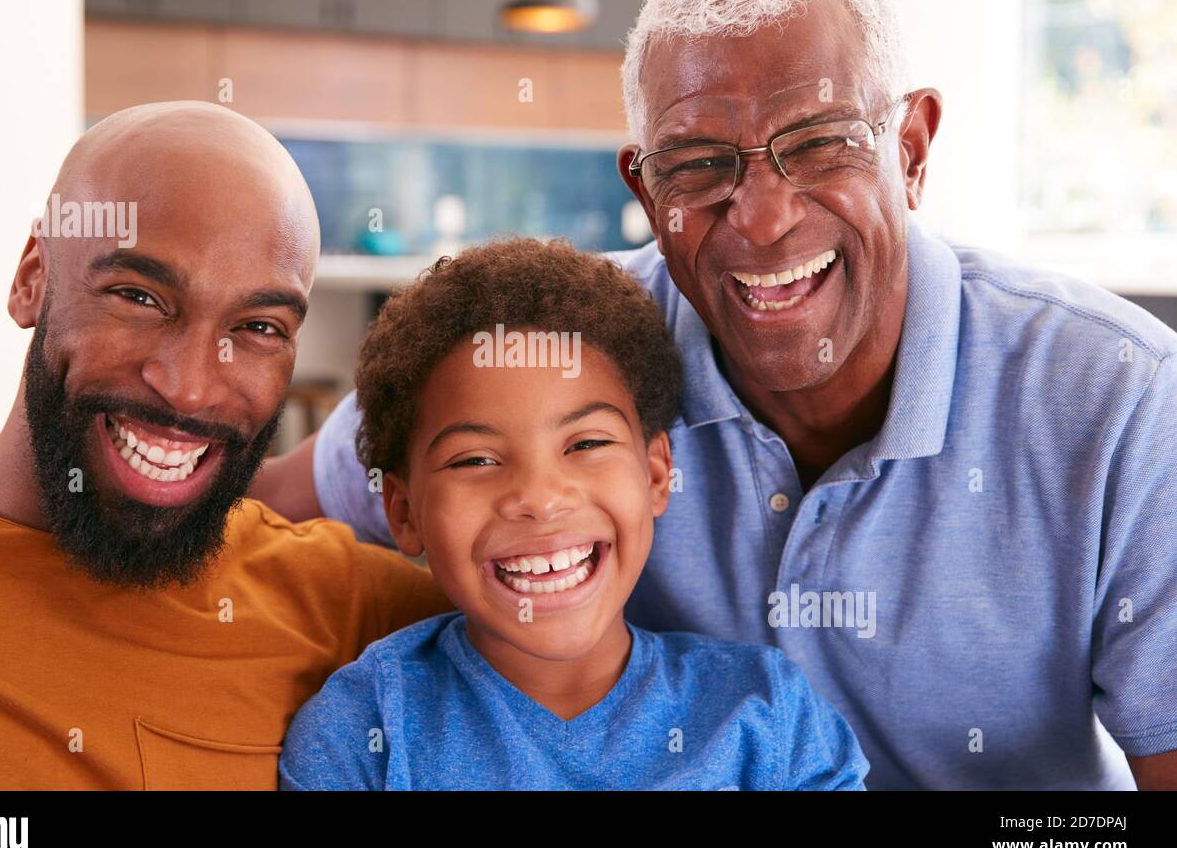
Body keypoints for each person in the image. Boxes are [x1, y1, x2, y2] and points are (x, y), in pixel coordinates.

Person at [252, 0, 1177, 789]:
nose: (764, 218)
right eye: (697, 163)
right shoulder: (556, 353)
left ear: (912, 149)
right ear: (646, 193)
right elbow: (255, 530)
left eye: (819, 142)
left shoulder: (1123, 400)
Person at [0, 101, 451, 789]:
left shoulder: (350, 607)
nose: (188, 388)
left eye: (261, 327)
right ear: (34, 277)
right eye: (138, 296)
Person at [278, 239, 868, 790]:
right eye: (476, 458)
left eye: (586, 444)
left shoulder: (769, 717)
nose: (540, 497)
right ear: (403, 512)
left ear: (657, 473)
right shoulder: (365, 731)